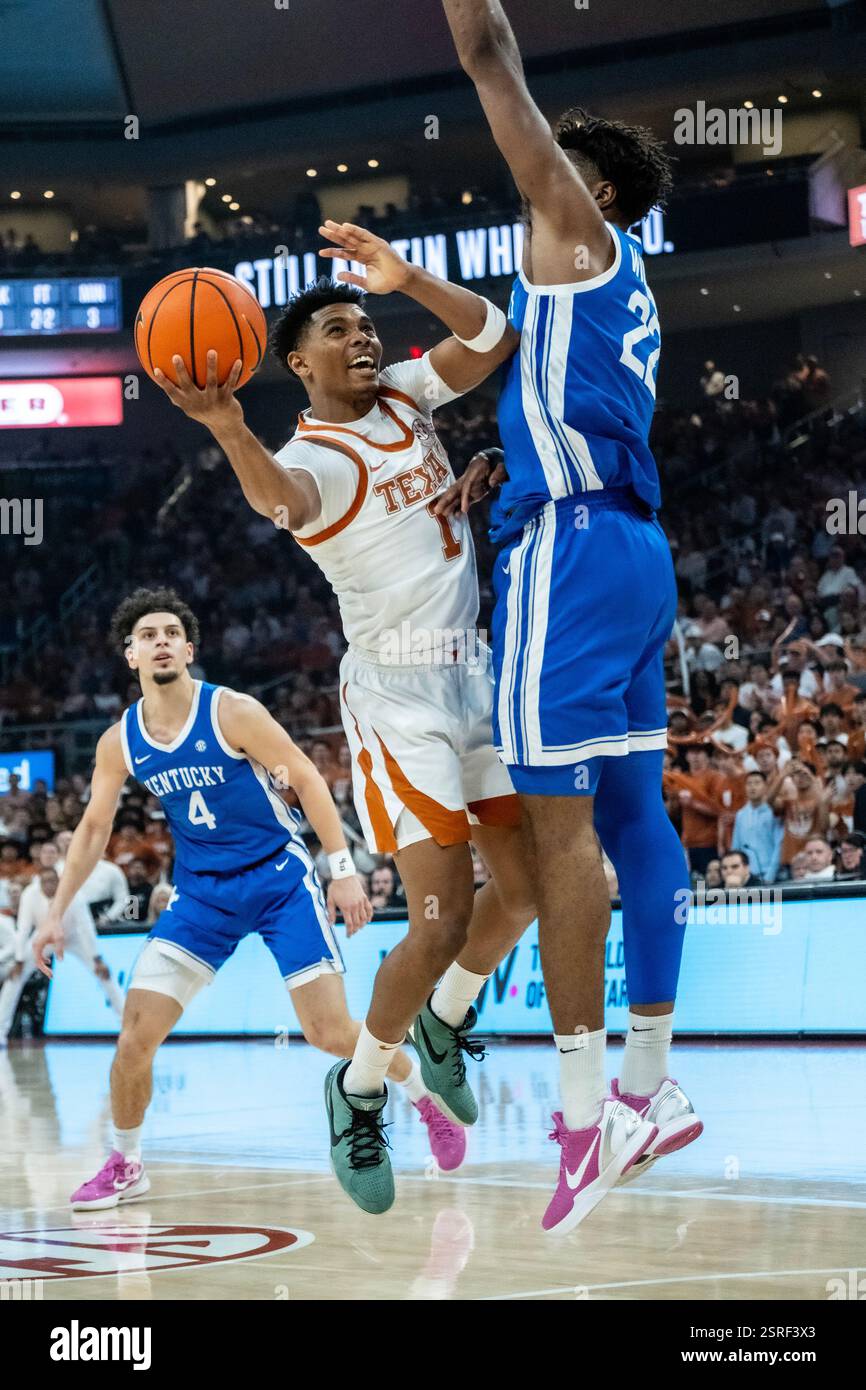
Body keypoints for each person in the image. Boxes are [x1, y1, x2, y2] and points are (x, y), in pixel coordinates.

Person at [153, 226, 537, 1216]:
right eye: (337, 329)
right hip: (397, 702)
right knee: (442, 919)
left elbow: (493, 336)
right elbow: (279, 502)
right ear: (296, 362)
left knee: (530, 889)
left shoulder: (406, 395)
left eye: (366, 324)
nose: (361, 337)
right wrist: (227, 427)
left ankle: (446, 1020)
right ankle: (360, 1089)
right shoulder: (307, 457)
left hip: (472, 675)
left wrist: (408, 278)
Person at [437, 0, 699, 1233]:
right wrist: (514, 463)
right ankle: (650, 1085)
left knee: (559, 841)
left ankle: (585, 1121)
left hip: (573, 559)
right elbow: (569, 399)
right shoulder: (622, 280)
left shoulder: (573, 227)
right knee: (637, 815)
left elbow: (487, 52)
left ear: (587, 187)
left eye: (546, 163)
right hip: (635, 554)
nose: (524, 179)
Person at [32, 590, 466, 1211]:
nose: (160, 641)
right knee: (134, 1039)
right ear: (131, 655)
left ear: (189, 649)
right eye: (147, 635)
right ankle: (126, 1163)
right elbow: (93, 829)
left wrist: (342, 870)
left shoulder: (231, 711)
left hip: (278, 881)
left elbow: (305, 775)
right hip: (201, 898)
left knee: (329, 1033)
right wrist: (53, 916)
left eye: (170, 633)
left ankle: (424, 1095)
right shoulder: (119, 741)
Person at [0, 867, 123, 1047]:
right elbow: (23, 929)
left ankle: (126, 1027)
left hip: (73, 937)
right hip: (44, 936)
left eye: (52, 881)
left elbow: (85, 927)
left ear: (59, 881)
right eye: (45, 882)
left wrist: (97, 958)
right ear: (39, 883)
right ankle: (1, 1032)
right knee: (14, 978)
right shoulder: (30, 895)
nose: (48, 885)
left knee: (104, 974)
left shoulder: (74, 894)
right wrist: (19, 960)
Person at [732, 770, 782, 884]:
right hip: (746, 876)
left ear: (766, 786)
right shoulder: (741, 814)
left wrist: (770, 875)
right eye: (749, 783)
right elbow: (736, 846)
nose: (752, 787)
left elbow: (779, 845)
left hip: (770, 875)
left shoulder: (774, 812)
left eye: (757, 783)